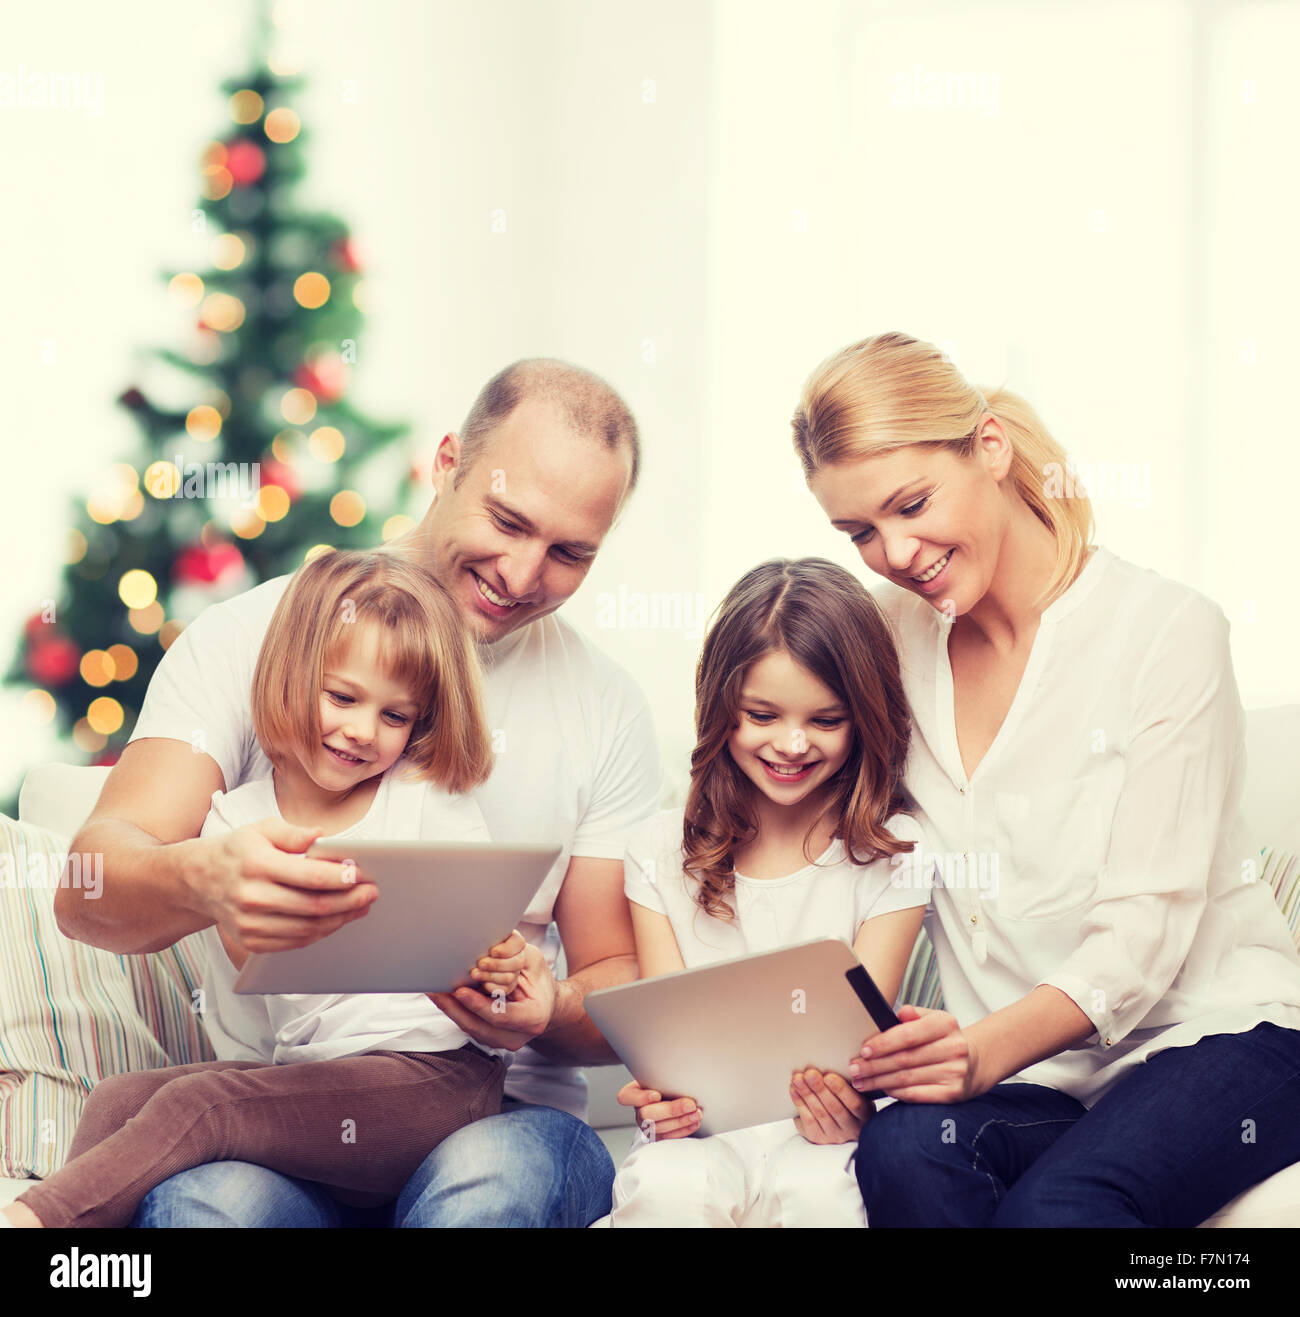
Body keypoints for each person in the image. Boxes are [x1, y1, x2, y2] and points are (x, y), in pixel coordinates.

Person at [53, 359, 663, 1229]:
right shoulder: (252, 638)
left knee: (493, 1186)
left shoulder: (604, 707)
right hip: (285, 1116)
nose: (524, 574)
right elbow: (88, 886)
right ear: (447, 461)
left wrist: (543, 1007)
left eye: (569, 553)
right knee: (205, 1202)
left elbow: (618, 982)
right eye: (507, 520)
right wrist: (204, 879)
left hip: (496, 1113)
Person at [791, 330, 1300, 1227]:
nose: (898, 551)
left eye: (912, 504)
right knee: (902, 1149)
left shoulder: (1166, 633)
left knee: (1060, 1206)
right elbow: (826, 847)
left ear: (990, 447)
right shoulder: (887, 642)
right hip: (1042, 1076)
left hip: (1217, 1039)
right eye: (859, 531)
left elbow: (1145, 935)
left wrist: (980, 1053)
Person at [4, 549, 519, 1229]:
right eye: (343, 697)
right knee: (122, 1097)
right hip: (314, 1086)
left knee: (205, 1106)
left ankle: (36, 1222)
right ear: (291, 675)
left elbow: (483, 942)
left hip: (437, 1081)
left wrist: (508, 973)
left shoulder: (427, 799)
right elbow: (259, 990)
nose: (363, 731)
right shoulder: (232, 820)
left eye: (395, 716)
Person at [610, 559, 938, 1227]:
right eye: (762, 714)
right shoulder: (656, 847)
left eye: (826, 720)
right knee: (669, 1187)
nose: (791, 744)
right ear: (721, 708)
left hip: (821, 1136)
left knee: (824, 1196)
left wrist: (846, 1102)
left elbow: (857, 1047)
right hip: (700, 1136)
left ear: (865, 717)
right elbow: (668, 1046)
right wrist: (663, 1100)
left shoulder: (894, 850)